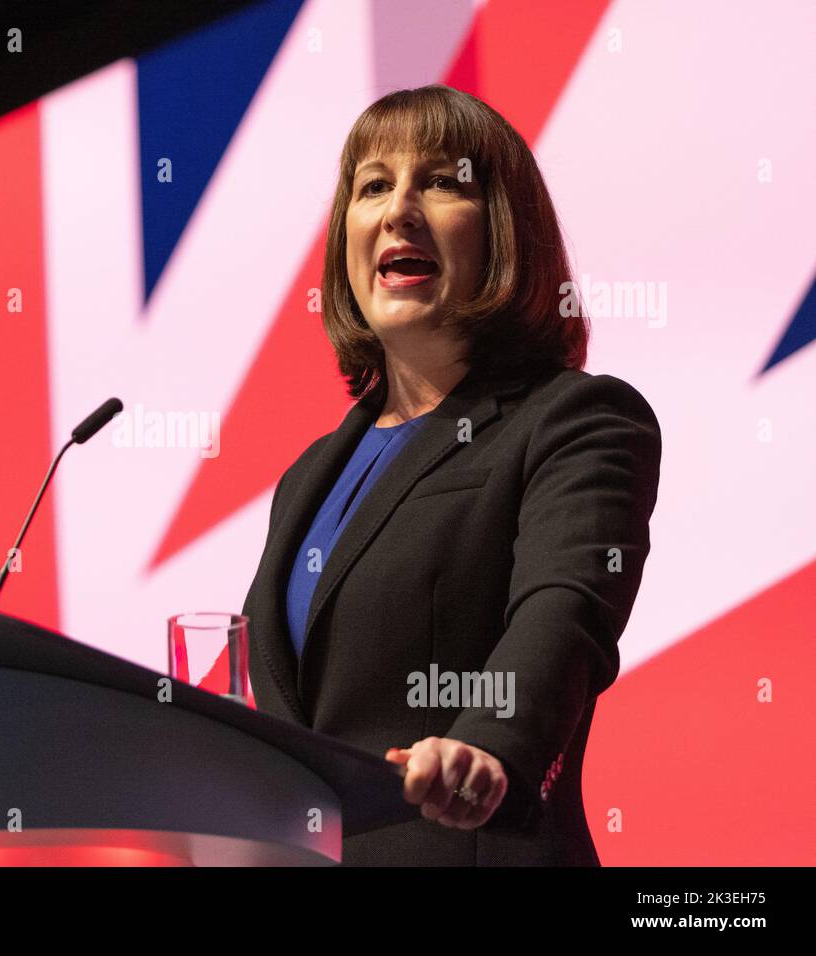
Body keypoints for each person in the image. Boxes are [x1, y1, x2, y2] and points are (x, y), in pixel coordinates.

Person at [241, 84, 661, 865]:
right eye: (373, 186)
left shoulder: (576, 421)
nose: (398, 210)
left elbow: (563, 611)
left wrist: (491, 748)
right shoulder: (308, 479)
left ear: (504, 232)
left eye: (440, 181)